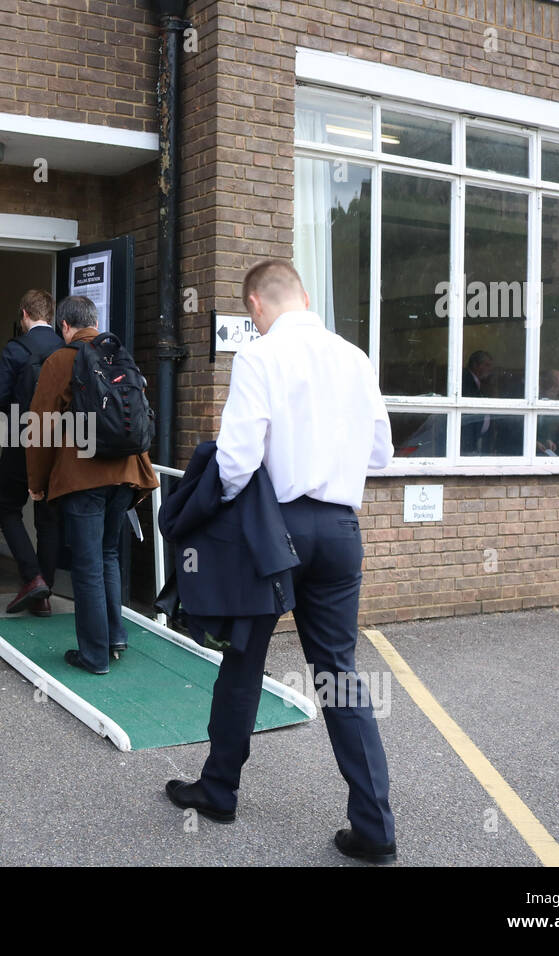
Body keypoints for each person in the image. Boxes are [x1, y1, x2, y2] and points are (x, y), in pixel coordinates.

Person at [164, 260, 398, 864]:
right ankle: (373, 827)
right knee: (338, 672)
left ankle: (218, 790)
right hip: (341, 530)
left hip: (275, 530)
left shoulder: (259, 357)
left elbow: (238, 459)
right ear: (305, 296)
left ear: (256, 307)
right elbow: (381, 452)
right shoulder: (354, 357)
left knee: (243, 659)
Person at [27, 296, 158, 675]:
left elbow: (40, 428)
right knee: (108, 556)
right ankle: (115, 636)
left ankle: (94, 655)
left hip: (83, 478)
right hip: (127, 474)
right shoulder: (118, 355)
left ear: (64, 327)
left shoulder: (61, 360)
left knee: (86, 566)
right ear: (95, 322)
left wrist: (37, 483)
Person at [0, 289, 64, 616]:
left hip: (20, 440)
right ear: (51, 315)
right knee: (48, 518)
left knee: (7, 508)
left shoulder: (15, 349)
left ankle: (33, 579)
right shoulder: (67, 349)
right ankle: (44, 596)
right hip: (59, 445)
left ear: (24, 315)